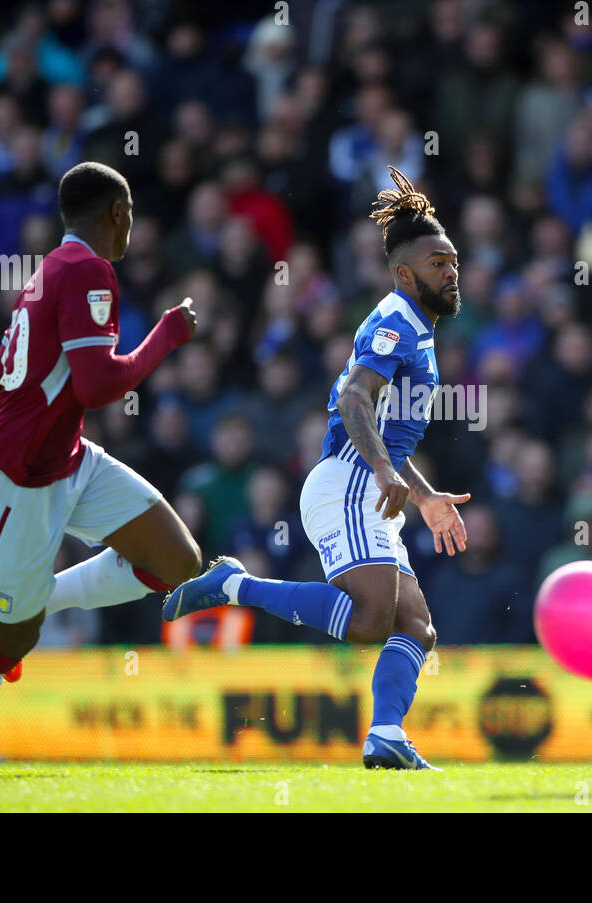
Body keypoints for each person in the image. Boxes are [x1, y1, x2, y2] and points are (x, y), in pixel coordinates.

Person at [0, 162, 202, 775]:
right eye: (131, 213)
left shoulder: (49, 271)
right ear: (116, 213)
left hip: (64, 458)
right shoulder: (89, 269)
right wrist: (166, 335)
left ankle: (26, 601)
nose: (133, 225)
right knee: (14, 638)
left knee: (177, 561)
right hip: (13, 475)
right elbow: (95, 382)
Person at [163, 166, 471, 770]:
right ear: (405, 273)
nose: (451, 271)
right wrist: (387, 476)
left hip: (372, 483)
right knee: (368, 621)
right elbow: (355, 399)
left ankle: (386, 734)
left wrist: (422, 494)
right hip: (349, 482)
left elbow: (387, 429)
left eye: (453, 260)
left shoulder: (421, 331)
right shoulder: (394, 320)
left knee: (416, 625)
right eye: (438, 263)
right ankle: (233, 585)